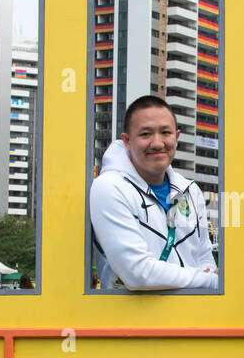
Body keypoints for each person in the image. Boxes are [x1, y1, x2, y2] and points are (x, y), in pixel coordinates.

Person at [89, 95, 217, 291]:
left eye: (166, 132)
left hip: (193, 317)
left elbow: (204, 259)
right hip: (130, 319)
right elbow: (138, 273)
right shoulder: (108, 188)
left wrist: (208, 277)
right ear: (127, 141)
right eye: (145, 134)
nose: (157, 143)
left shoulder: (190, 190)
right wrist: (210, 280)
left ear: (177, 137)